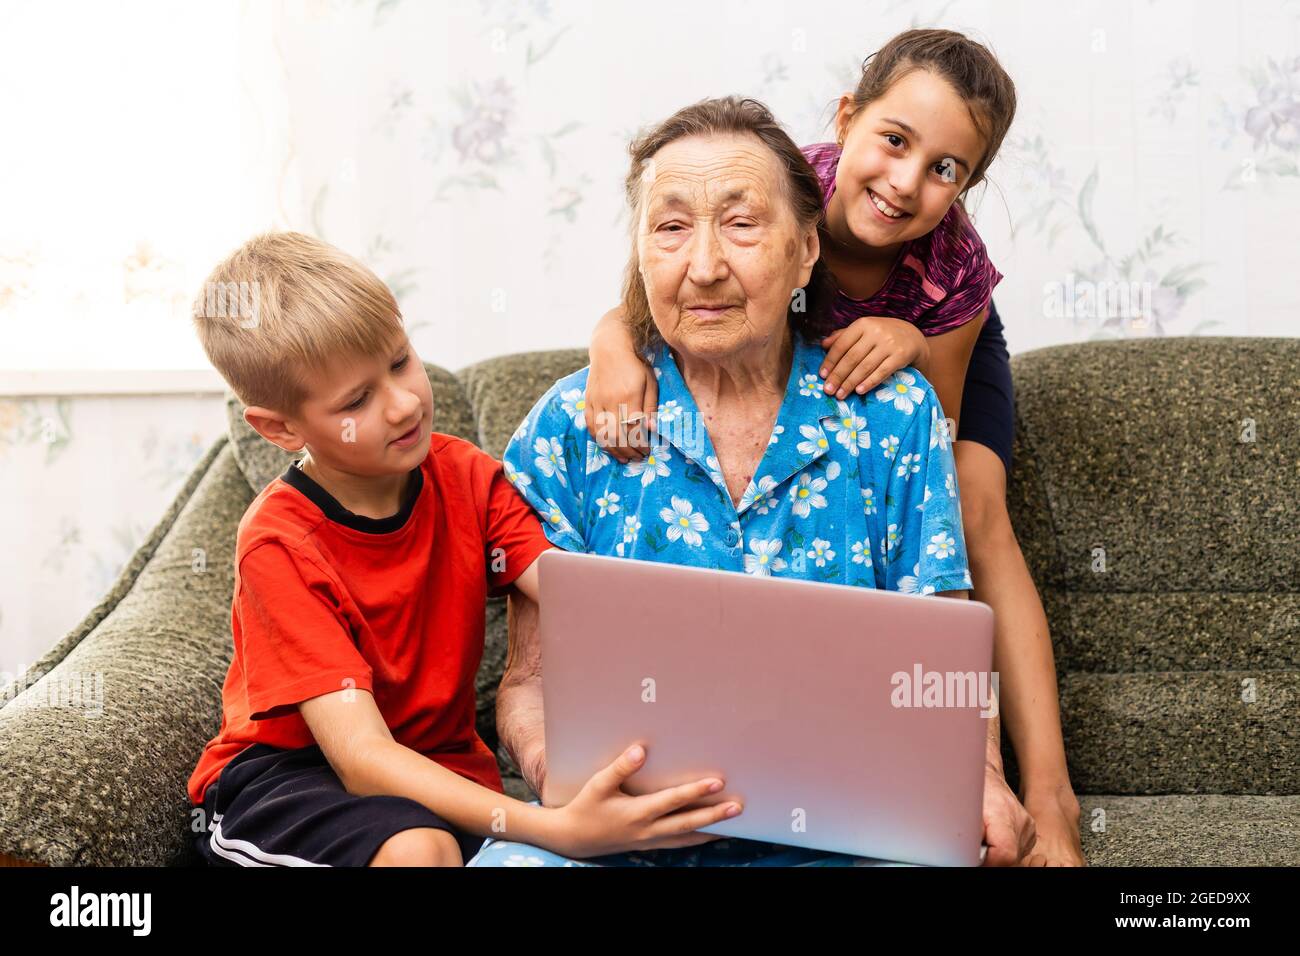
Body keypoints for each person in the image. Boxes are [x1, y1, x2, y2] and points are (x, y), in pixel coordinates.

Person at [468, 96, 1036, 867]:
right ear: (640, 251)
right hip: (620, 846)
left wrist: (985, 779)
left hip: (847, 837)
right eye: (670, 229)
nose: (703, 267)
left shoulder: (896, 416)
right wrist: (555, 779)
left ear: (807, 250)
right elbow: (527, 684)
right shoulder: (570, 425)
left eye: (741, 225)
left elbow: (947, 669)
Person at [583, 29, 1085, 866]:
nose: (905, 182)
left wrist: (911, 340)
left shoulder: (954, 260)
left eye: (945, 170)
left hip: (930, 341)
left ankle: (1053, 793)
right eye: (894, 141)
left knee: (974, 504)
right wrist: (609, 344)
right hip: (803, 344)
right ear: (847, 119)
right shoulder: (780, 188)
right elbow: (662, 286)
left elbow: (931, 437)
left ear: (968, 185)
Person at [185, 231, 739, 866]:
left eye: (399, 362)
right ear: (280, 428)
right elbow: (362, 760)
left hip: (439, 776)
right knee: (422, 852)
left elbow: (578, 592)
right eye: (357, 401)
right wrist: (555, 828)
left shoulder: (467, 477)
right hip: (292, 782)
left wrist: (726, 639)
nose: (403, 405)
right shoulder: (279, 543)